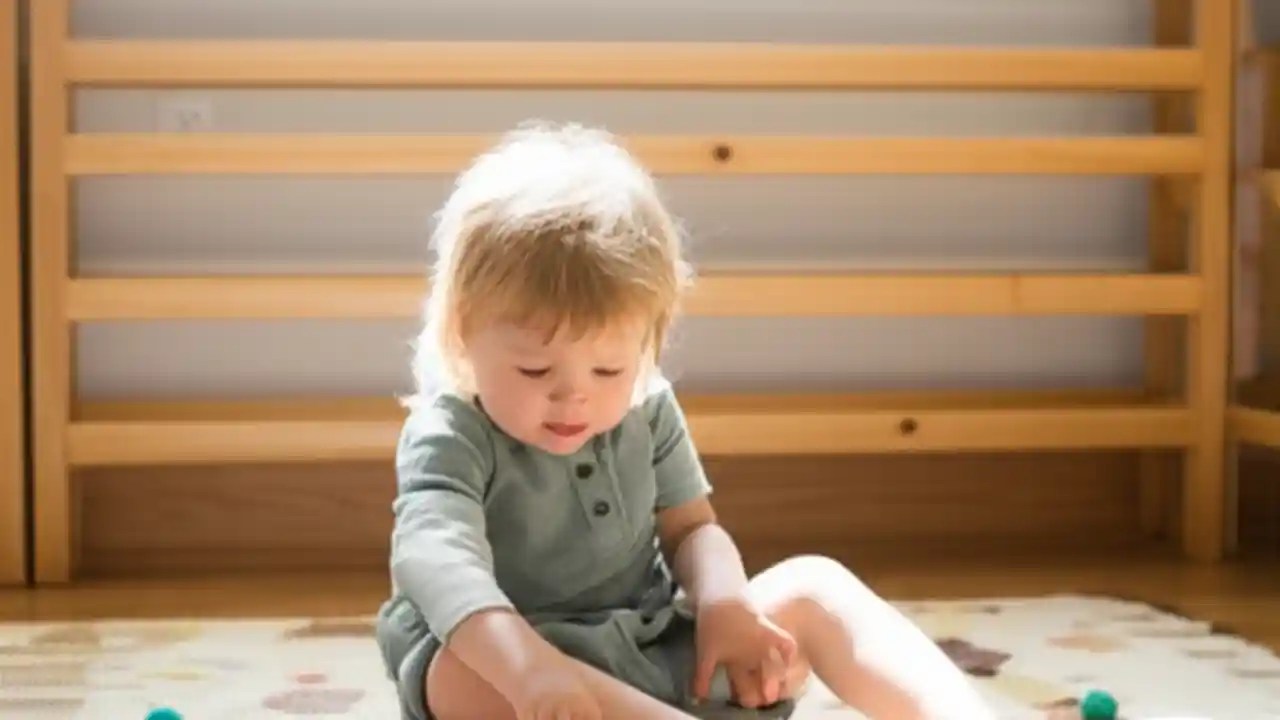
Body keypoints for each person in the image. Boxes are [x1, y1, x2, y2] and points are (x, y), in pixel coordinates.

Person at [375, 121, 995, 720]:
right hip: (514, 670)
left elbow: (692, 529)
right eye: (536, 373)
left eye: (610, 370)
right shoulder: (451, 431)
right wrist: (531, 667)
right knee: (455, 671)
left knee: (814, 585)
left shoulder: (646, 406)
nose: (574, 399)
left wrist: (724, 601)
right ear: (463, 337)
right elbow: (437, 564)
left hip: (647, 648)